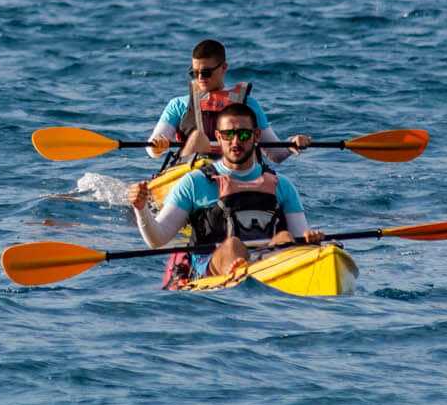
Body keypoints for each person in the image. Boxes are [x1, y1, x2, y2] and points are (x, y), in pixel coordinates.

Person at [130, 96, 325, 286]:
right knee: (233, 246)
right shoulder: (194, 182)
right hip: (209, 267)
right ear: (218, 137)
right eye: (228, 135)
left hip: (267, 259)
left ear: (257, 136)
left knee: (286, 238)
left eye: (244, 135)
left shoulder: (282, 185)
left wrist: (309, 241)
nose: (235, 142)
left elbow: (300, 238)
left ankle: (252, 269)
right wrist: (141, 209)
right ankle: (245, 270)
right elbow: (157, 239)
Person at [143, 38, 312, 167]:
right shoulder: (178, 105)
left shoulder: (248, 105)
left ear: (224, 68)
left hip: (236, 171)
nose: (200, 78)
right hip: (190, 172)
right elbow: (151, 150)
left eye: (206, 72)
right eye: (195, 73)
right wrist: (158, 145)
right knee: (197, 138)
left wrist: (292, 143)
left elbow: (276, 155)